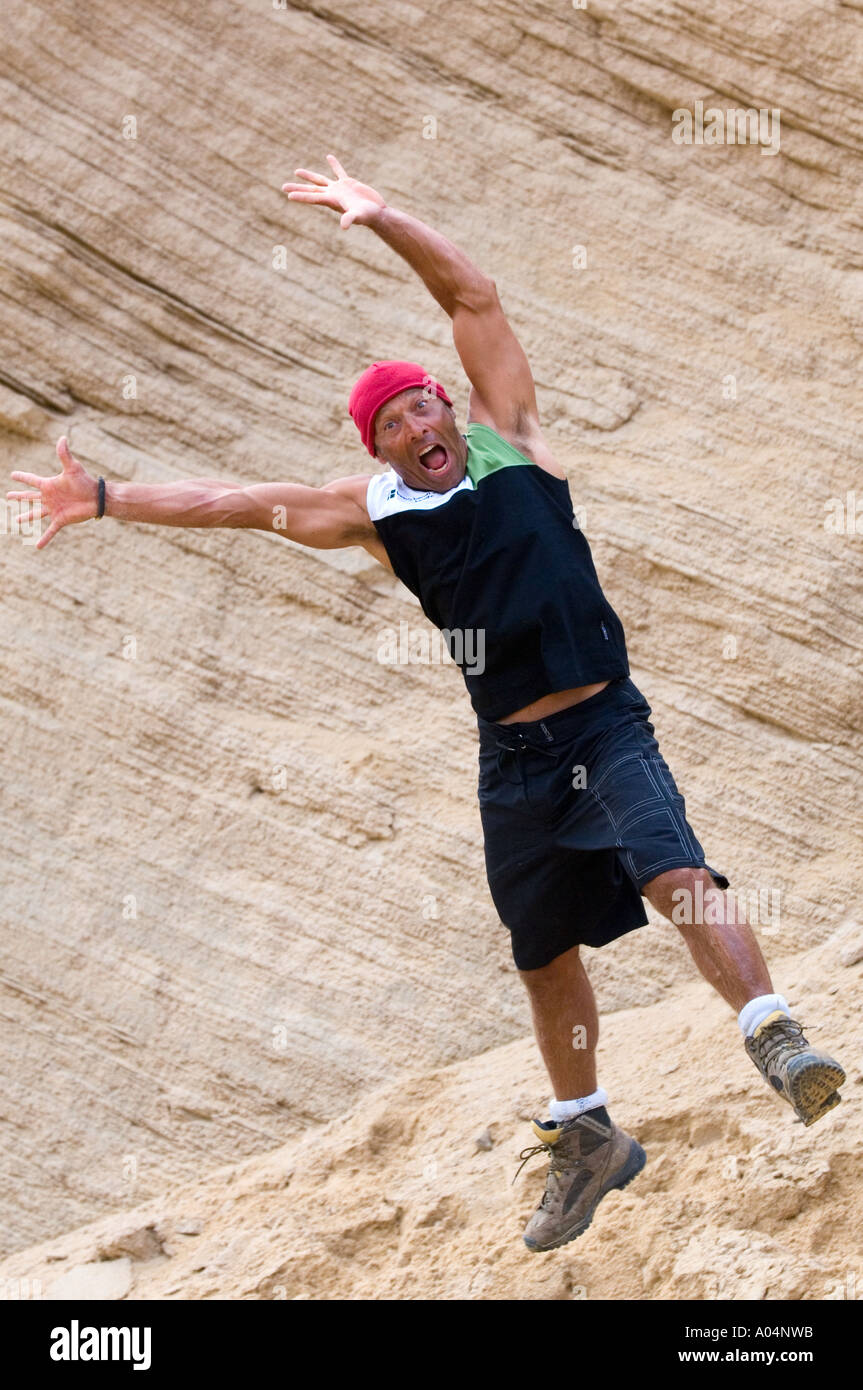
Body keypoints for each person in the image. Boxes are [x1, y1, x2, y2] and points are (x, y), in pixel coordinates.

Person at [8, 155, 846, 1255]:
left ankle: (772, 1034)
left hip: (603, 723)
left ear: (454, 407)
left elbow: (472, 300)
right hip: (512, 757)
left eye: (426, 400)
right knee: (540, 954)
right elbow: (234, 500)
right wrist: (108, 497)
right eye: (396, 417)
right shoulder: (375, 510)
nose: (420, 419)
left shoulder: (512, 443)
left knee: (671, 869)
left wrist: (379, 216)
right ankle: (588, 1135)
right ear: (382, 446)